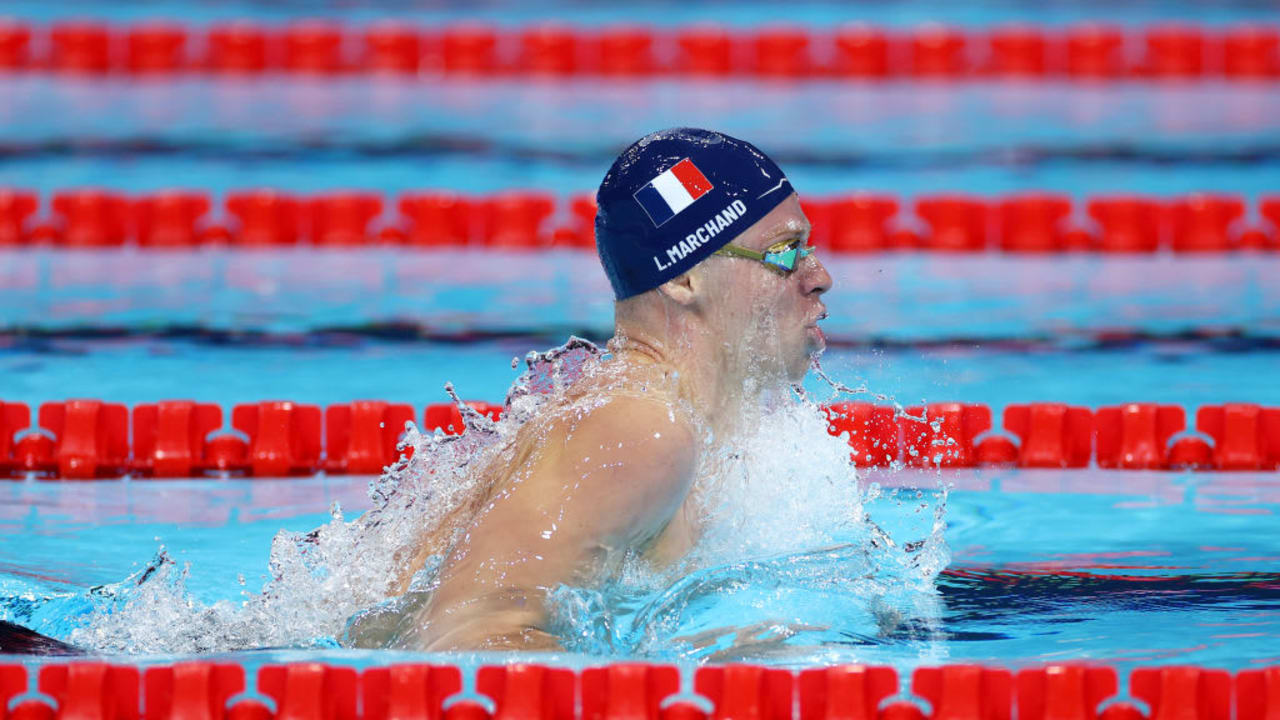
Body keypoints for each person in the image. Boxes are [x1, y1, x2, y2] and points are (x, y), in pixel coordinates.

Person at [361, 127, 833, 651]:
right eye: (785, 254)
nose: (819, 276)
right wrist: (686, 681)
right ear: (684, 280)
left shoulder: (677, 422)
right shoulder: (641, 429)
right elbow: (465, 642)